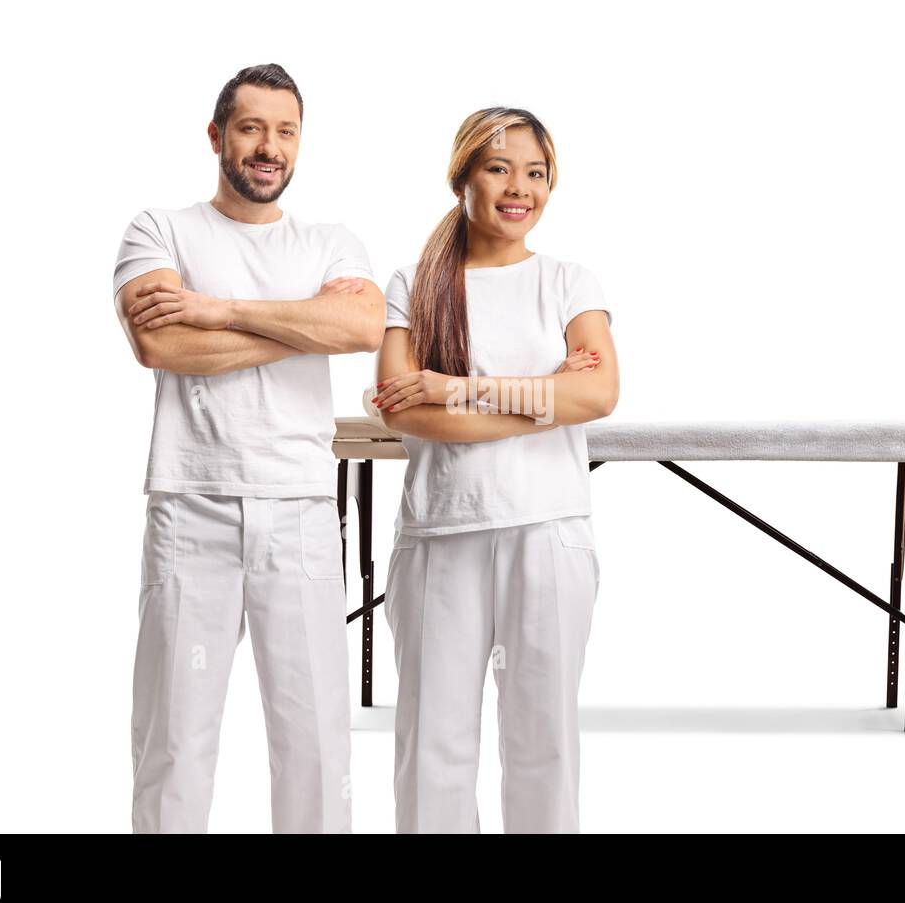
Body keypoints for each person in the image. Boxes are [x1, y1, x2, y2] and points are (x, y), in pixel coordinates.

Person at [111, 63, 384, 833]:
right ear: (217, 136)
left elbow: (362, 328)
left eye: (286, 131)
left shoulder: (332, 241)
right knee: (174, 740)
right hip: (190, 505)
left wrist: (217, 308)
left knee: (316, 742)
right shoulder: (159, 230)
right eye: (252, 127)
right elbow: (160, 341)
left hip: (299, 506)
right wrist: (298, 328)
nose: (269, 147)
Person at [374, 107, 618, 833]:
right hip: (441, 536)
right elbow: (401, 405)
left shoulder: (569, 281)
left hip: (546, 534)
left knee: (541, 744)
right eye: (500, 167)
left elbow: (597, 393)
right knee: (433, 748)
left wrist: (457, 386)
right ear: (464, 177)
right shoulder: (414, 283)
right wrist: (545, 394)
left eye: (537, 173)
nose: (521, 188)